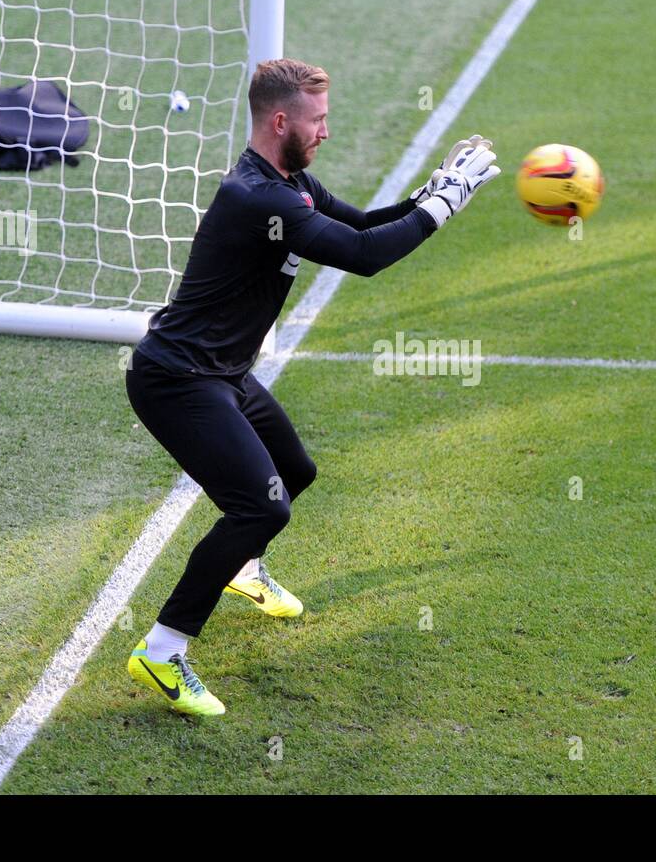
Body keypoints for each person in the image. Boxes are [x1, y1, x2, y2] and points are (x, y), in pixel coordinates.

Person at [124, 58, 500, 715]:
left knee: (293, 471)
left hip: (222, 373)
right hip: (176, 380)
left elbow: (358, 226)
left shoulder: (287, 182)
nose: (326, 130)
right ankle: (161, 651)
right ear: (280, 121)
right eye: (317, 119)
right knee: (260, 507)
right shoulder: (261, 199)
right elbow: (363, 258)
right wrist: (442, 208)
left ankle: (241, 568)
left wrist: (429, 193)